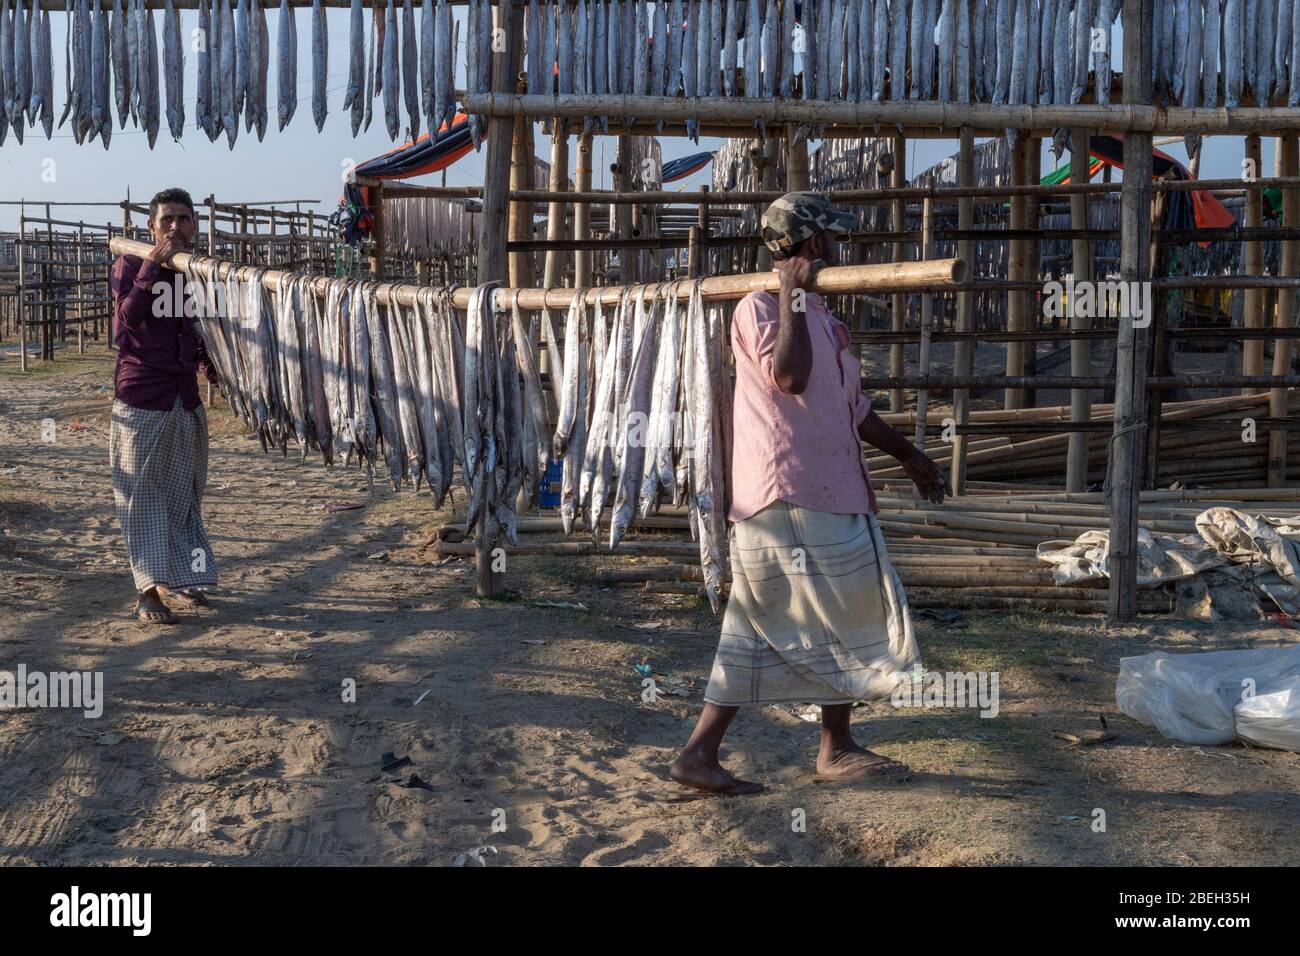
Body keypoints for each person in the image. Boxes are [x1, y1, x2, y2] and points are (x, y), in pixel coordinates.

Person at [669, 192, 948, 795]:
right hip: (787, 492)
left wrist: (912, 458)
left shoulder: (818, 313)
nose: (840, 251)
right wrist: (791, 293)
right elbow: (789, 378)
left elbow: (853, 409)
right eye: (833, 240)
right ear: (815, 244)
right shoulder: (759, 309)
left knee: (803, 618)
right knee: (806, 616)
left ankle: (752, 749)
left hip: (828, 487)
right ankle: (806, 748)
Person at [108, 188, 219, 625]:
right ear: (151, 227)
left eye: (184, 219)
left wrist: (214, 372)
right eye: (167, 219)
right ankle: (148, 593)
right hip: (141, 399)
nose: (176, 227)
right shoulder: (130, 264)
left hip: (183, 398)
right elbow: (125, 324)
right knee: (141, 497)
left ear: (195, 226)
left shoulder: (198, 274)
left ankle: (187, 577)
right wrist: (152, 266)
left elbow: (200, 332)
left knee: (185, 495)